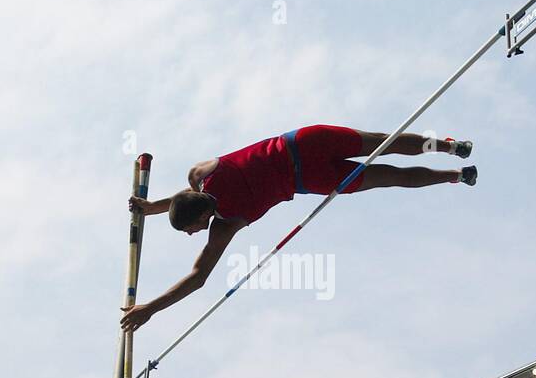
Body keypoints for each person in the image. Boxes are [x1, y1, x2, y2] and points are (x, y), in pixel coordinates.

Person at [120, 125, 476, 331]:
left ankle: (456, 176)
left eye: (190, 231)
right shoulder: (201, 174)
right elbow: (190, 194)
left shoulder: (225, 225)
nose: (193, 235)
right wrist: (153, 208)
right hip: (304, 141)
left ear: (201, 221)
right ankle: (449, 147)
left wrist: (151, 308)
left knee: (390, 178)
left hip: (311, 177)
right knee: (386, 142)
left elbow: (198, 277)